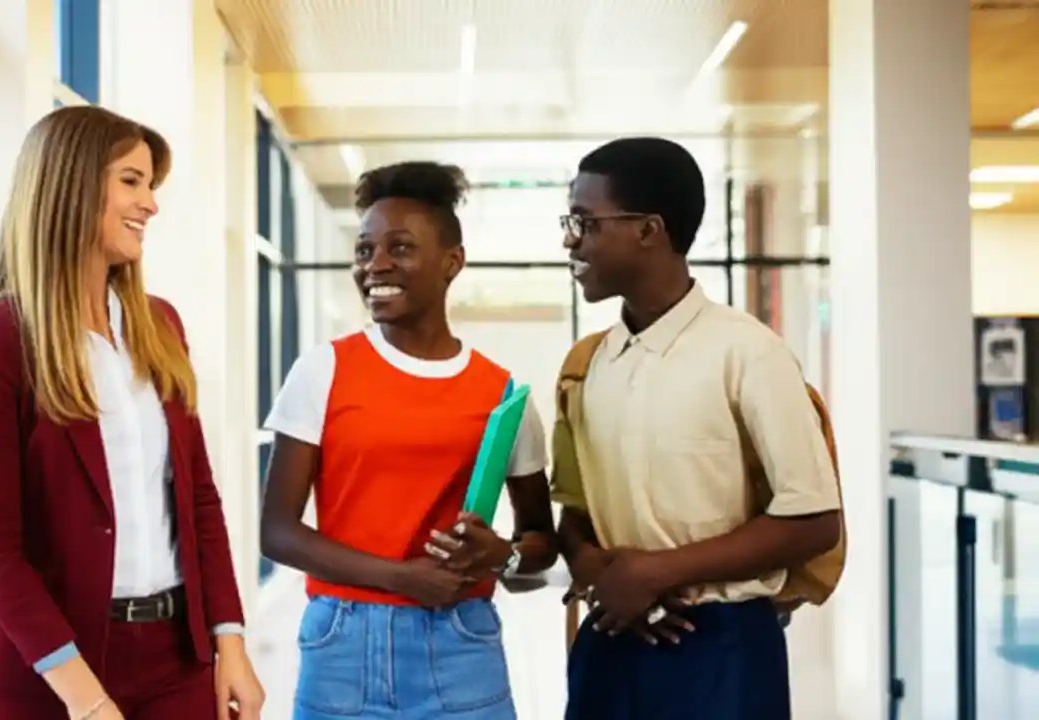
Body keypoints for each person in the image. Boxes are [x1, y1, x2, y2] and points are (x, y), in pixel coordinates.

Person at [0, 106, 264, 720]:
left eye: (151, 185)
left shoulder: (159, 325)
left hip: (177, 663)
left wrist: (230, 640)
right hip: (52, 673)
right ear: (72, 184)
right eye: (131, 181)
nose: (151, 204)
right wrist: (85, 701)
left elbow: (198, 500)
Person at [552, 137, 843, 720]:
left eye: (584, 221)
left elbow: (813, 519)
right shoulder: (586, 366)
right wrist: (607, 579)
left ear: (648, 229)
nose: (570, 239)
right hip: (613, 631)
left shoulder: (748, 353)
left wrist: (656, 573)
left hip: (723, 646)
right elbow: (575, 519)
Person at [259, 161, 559, 719]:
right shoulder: (323, 370)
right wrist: (401, 578)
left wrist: (503, 554)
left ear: (452, 262)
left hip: (461, 646)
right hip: (342, 647)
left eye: (399, 248)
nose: (376, 265)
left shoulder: (502, 395)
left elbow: (539, 547)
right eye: (365, 250)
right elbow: (276, 532)